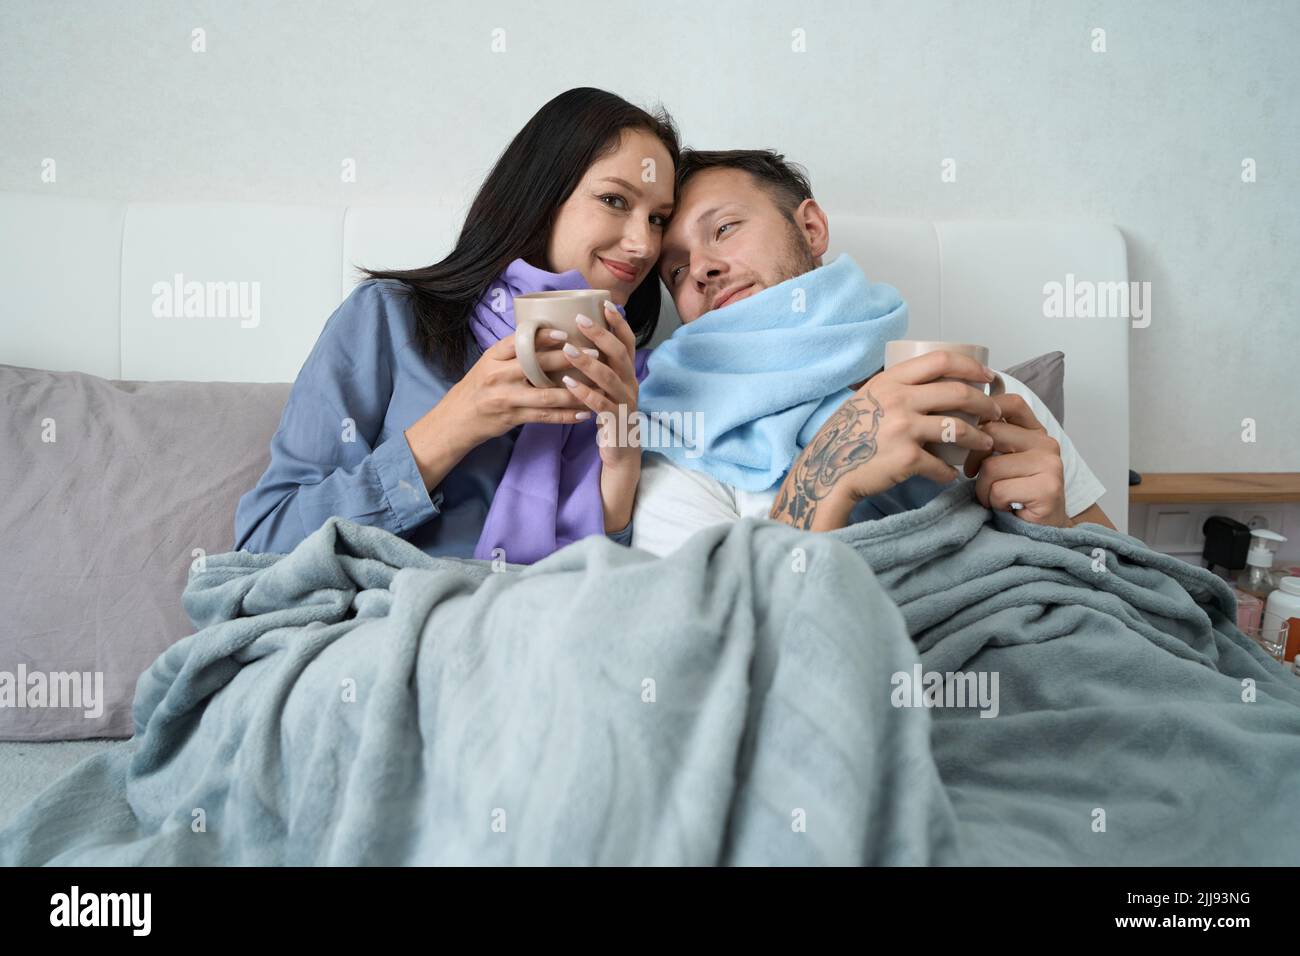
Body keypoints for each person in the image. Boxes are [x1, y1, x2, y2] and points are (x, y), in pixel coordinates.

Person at [235, 88, 677, 564]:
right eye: (615, 200)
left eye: (657, 219)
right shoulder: (388, 319)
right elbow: (264, 542)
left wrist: (621, 468)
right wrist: (453, 425)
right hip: (384, 621)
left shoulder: (643, 381)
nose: (642, 244)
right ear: (542, 195)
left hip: (545, 624)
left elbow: (613, 589)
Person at [631, 149, 1115, 558]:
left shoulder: (991, 398)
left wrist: (1056, 531)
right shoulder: (681, 440)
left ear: (812, 228)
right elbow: (718, 646)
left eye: (724, 229)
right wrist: (830, 476)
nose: (701, 270)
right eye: (675, 270)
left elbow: (1143, 596)